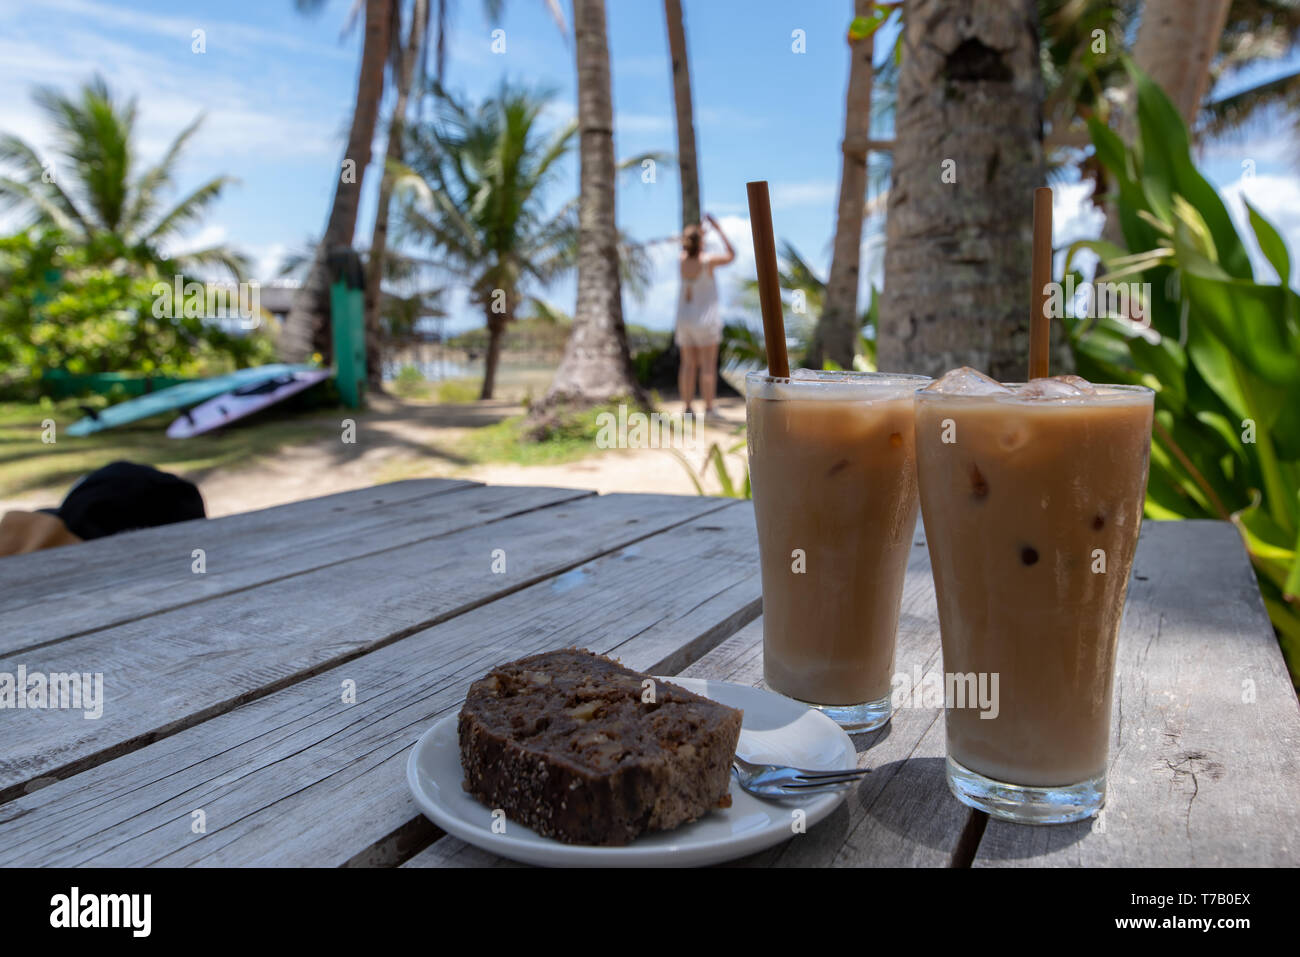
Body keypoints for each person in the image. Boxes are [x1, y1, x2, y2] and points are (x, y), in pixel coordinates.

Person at [674, 213, 734, 418]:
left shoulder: (681, 260)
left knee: (688, 365)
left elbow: (688, 246)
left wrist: (698, 232)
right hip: (706, 319)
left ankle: (687, 408)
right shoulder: (708, 261)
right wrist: (718, 229)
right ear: (701, 241)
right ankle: (709, 408)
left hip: (684, 318)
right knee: (707, 366)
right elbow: (731, 254)